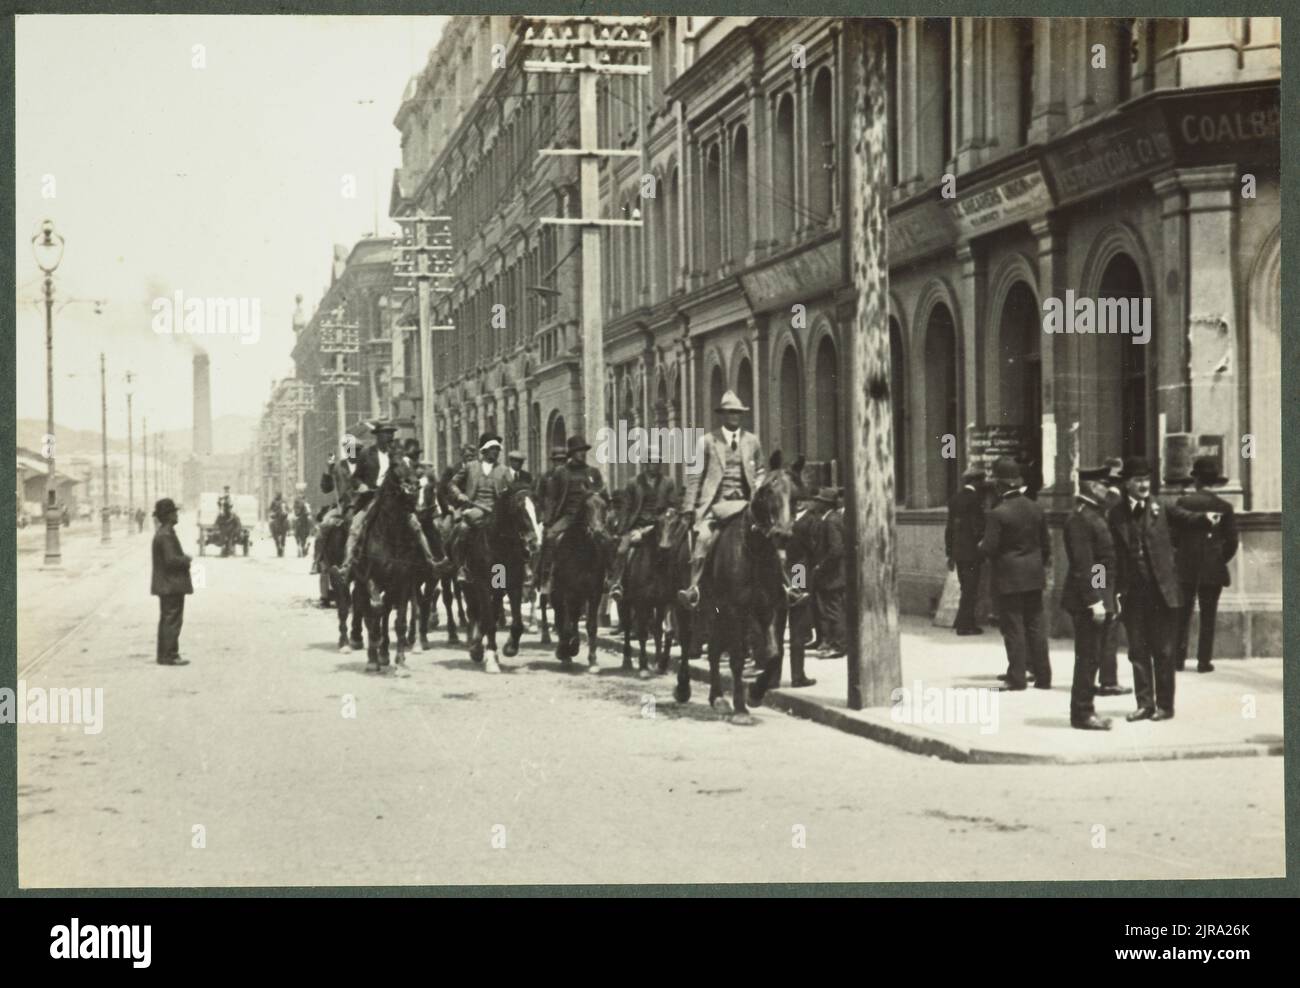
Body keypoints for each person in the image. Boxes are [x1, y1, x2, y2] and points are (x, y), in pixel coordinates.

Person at [677, 390, 805, 610]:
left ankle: (789, 585)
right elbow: (695, 475)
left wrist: (758, 489)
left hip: (746, 503)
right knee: (704, 539)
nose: (734, 416)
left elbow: (761, 471)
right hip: (716, 504)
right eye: (729, 413)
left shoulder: (752, 441)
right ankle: (695, 587)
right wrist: (690, 507)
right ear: (722, 415)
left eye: (737, 412)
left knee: (775, 539)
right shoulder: (707, 441)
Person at [1108, 456, 1182, 722]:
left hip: (1161, 593)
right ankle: (1144, 704)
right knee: (1137, 650)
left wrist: (1173, 570)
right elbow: (1110, 557)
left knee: (1163, 651)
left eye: (1146, 479)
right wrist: (1108, 593)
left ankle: (1165, 706)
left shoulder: (1161, 507)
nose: (1143, 485)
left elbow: (1186, 523)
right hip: (1132, 594)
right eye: (1138, 480)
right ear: (1127, 483)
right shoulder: (1115, 513)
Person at [979, 456, 1051, 691]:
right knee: (1036, 626)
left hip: (1008, 577)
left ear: (1000, 486)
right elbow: (1046, 545)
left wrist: (979, 546)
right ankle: (1043, 676)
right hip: (1033, 576)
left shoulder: (997, 513)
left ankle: (1017, 677)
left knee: (1013, 627)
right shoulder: (1036, 508)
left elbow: (989, 548)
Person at [1062, 466, 1120, 730]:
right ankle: (1082, 713)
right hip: (1087, 601)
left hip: (1098, 596)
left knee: (1093, 656)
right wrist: (1095, 600)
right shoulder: (1081, 519)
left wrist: (1109, 596)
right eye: (1102, 485)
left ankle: (1086, 710)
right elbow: (1084, 565)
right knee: (1088, 657)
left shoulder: (1095, 515)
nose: (1107, 489)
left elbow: (1100, 565)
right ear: (1090, 487)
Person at [1171, 456, 1238, 673]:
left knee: (1182, 614)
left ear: (1196, 480)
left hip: (1185, 567)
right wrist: (1217, 558)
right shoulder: (1224, 507)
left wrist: (1183, 552)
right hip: (1212, 568)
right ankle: (1203, 661)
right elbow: (1232, 542)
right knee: (1208, 615)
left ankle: (1177, 659)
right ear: (1215, 482)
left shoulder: (1183, 503)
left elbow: (1173, 537)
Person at [538, 435, 607, 594]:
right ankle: (546, 578)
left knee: (607, 541)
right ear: (572, 453)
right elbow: (552, 498)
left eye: (583, 451)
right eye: (578, 451)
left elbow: (602, 494)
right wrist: (549, 521)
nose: (582, 454)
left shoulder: (593, 472)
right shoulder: (561, 472)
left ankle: (608, 578)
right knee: (550, 539)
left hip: (590, 517)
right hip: (567, 516)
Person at [607, 445, 676, 601]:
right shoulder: (633, 483)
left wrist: (670, 513)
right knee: (622, 550)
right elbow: (626, 509)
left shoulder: (668, 482)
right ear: (645, 463)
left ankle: (677, 586)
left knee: (675, 550)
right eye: (652, 461)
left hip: (660, 526)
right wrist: (623, 531)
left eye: (658, 461)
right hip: (637, 526)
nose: (655, 465)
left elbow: (672, 504)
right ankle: (617, 583)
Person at [445, 432, 515, 581]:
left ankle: (502, 582)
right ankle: (461, 567)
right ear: (484, 450)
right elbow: (452, 484)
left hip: (496, 512)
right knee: (462, 529)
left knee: (513, 536)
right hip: (475, 509)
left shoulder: (504, 470)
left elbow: (513, 491)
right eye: (493, 449)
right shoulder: (471, 467)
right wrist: (459, 495)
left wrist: (507, 495)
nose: (496, 452)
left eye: (497, 449)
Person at [150, 498, 193, 667]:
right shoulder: (166, 534)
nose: (177, 514)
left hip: (167, 585)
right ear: (168, 516)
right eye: (174, 512)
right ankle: (170, 656)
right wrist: (186, 559)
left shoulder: (163, 532)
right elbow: (171, 560)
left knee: (168, 619)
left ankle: (165, 655)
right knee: (172, 620)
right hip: (171, 585)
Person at [946, 465, 987, 635]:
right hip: (971, 552)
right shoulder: (975, 500)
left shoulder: (955, 499)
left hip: (958, 552)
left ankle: (962, 621)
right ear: (976, 481)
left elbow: (949, 528)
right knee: (970, 589)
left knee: (965, 587)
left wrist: (949, 552)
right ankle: (965, 625)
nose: (983, 484)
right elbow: (977, 527)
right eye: (982, 480)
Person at [812, 487, 846, 658]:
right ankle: (824, 640)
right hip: (802, 567)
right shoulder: (823, 519)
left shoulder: (827, 521)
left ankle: (836, 644)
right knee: (824, 607)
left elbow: (835, 549)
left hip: (801, 568)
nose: (813, 503)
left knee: (831, 609)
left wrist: (820, 566)